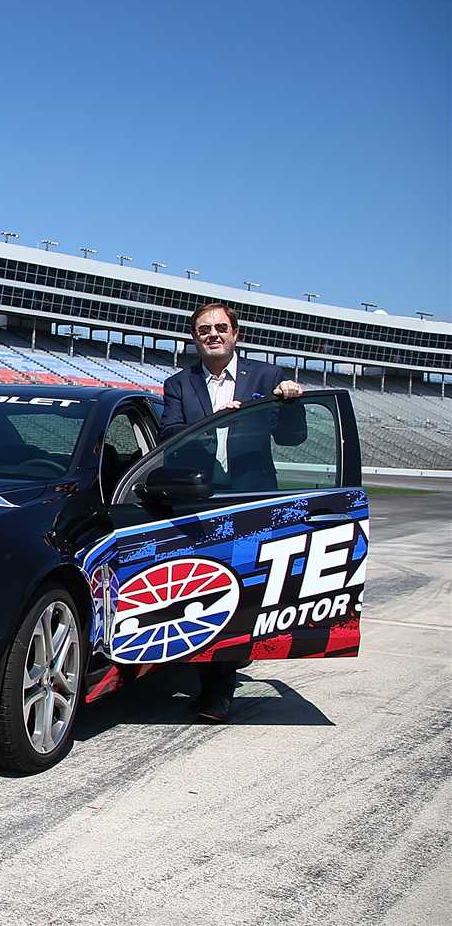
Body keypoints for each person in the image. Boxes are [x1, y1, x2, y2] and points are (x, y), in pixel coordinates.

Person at [160, 301, 303, 723]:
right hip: (199, 500)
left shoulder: (267, 376)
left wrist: (290, 403)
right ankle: (215, 678)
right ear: (194, 337)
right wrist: (215, 423)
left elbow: (292, 438)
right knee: (207, 590)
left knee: (244, 588)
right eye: (204, 329)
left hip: (250, 500)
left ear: (236, 333)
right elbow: (169, 436)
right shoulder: (178, 383)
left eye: (221, 327)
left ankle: (219, 685)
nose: (213, 334)